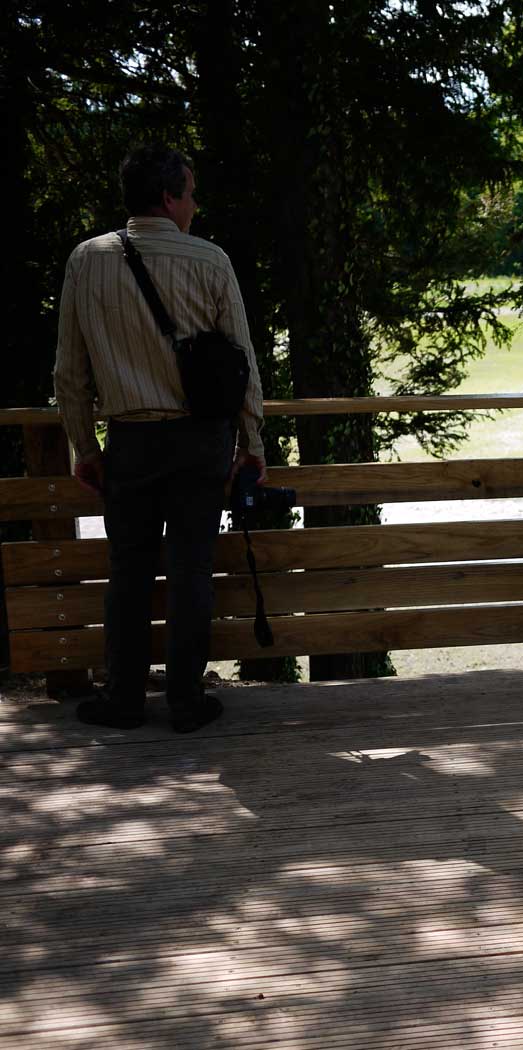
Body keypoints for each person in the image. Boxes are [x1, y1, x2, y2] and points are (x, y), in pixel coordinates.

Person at [53, 145, 266, 733]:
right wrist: (253, 445)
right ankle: (186, 702)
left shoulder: (86, 260)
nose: (195, 206)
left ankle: (123, 699)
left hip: (131, 443)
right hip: (201, 441)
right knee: (192, 568)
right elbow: (242, 362)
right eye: (191, 193)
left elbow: (69, 373)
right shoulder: (211, 261)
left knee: (128, 570)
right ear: (169, 197)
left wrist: (84, 447)